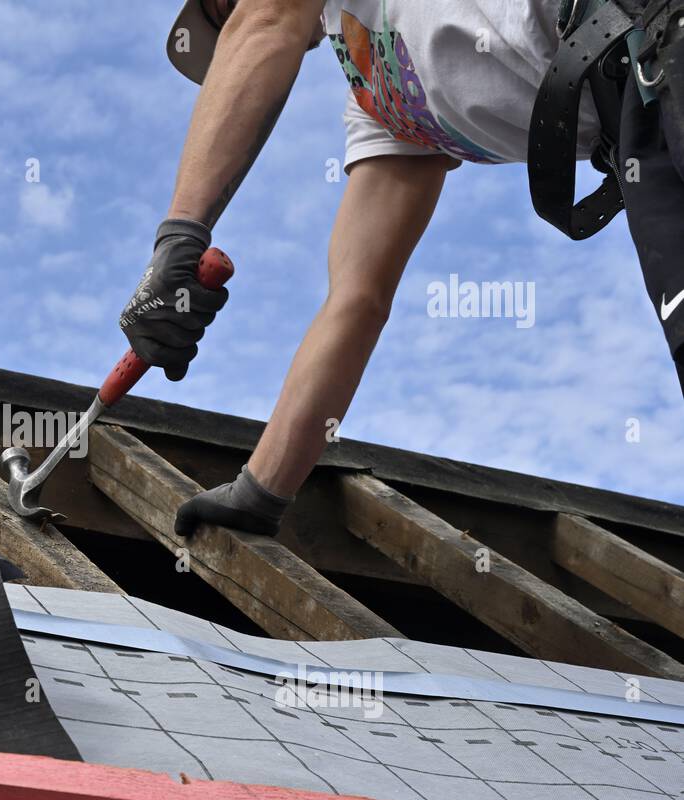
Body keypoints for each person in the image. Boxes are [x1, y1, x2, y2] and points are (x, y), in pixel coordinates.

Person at [117, 0, 684, 540]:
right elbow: (358, 300)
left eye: (225, 8)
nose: (236, 16)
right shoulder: (377, 98)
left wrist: (180, 237)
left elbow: (270, 15)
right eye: (224, 23)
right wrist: (260, 491)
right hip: (645, 124)